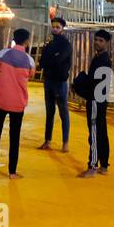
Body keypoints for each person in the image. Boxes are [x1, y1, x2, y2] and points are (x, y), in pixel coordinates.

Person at [0, 28, 35, 178]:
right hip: (18, 104)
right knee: (15, 137)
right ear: (27, 41)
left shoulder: (3, 54)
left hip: (1, 101)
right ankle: (12, 172)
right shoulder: (29, 60)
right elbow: (31, 75)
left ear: (14, 38)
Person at [79, 29, 112, 177]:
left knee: (94, 133)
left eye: (101, 41)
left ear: (107, 43)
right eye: (96, 40)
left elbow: (94, 81)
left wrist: (81, 82)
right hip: (100, 100)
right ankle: (104, 165)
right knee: (101, 132)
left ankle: (92, 166)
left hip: (95, 101)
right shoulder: (100, 58)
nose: (97, 43)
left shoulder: (102, 60)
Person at [37, 17, 73, 152]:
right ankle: (47, 141)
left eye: (58, 27)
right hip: (48, 81)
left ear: (62, 29)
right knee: (49, 112)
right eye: (53, 26)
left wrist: (48, 61)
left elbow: (57, 61)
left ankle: (65, 142)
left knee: (63, 113)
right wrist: (50, 60)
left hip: (60, 82)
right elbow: (42, 62)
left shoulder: (65, 45)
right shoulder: (50, 44)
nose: (55, 28)